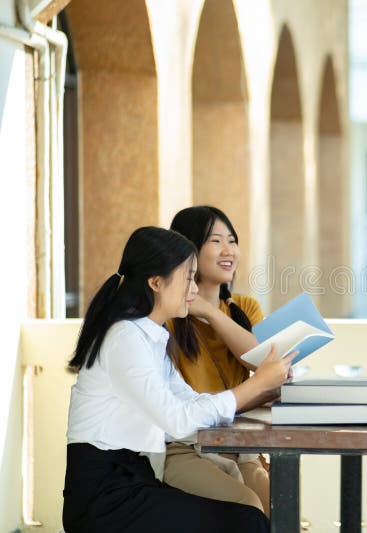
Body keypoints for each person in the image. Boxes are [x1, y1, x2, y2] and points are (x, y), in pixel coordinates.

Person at [63, 226, 294, 533]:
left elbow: (189, 401)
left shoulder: (149, 338)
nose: (195, 290)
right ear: (156, 282)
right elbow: (178, 421)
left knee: (248, 514)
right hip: (104, 498)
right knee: (245, 520)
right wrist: (255, 384)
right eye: (188, 278)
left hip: (133, 481)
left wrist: (259, 391)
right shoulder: (125, 339)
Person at [163, 205, 273, 515]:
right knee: (249, 508)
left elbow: (260, 363)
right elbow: (180, 404)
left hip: (240, 447)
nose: (229, 250)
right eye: (215, 241)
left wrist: (211, 312)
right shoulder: (169, 316)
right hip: (186, 447)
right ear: (188, 249)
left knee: (280, 507)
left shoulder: (246, 308)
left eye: (233, 240)